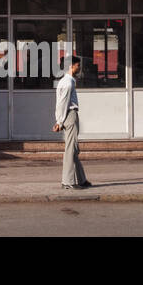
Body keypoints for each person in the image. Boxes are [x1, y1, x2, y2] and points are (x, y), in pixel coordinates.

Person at [52, 55, 91, 190]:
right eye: (77, 65)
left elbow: (61, 103)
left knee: (73, 149)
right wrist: (60, 121)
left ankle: (81, 179)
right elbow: (62, 103)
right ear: (71, 66)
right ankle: (68, 181)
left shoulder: (66, 81)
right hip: (70, 115)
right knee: (70, 150)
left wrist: (60, 120)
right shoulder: (68, 83)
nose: (78, 67)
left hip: (68, 116)